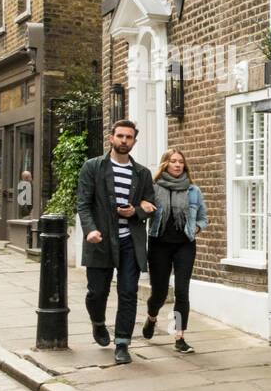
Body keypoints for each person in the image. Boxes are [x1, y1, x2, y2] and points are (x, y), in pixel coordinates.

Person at [76, 120, 157, 365]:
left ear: (134, 141)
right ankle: (99, 323)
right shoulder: (93, 167)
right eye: (120, 136)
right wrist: (89, 229)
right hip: (100, 239)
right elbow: (84, 203)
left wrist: (136, 212)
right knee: (97, 292)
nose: (124, 140)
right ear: (111, 138)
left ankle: (122, 343)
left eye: (129, 137)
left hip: (129, 241)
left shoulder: (141, 173)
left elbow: (150, 204)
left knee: (129, 292)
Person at [142, 148, 207, 353]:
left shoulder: (193, 191)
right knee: (159, 293)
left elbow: (203, 217)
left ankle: (179, 336)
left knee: (181, 292)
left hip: (184, 245)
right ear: (165, 164)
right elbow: (142, 212)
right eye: (173, 161)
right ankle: (152, 317)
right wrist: (143, 206)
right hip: (159, 244)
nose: (178, 165)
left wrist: (197, 227)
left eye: (180, 161)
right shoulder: (152, 189)